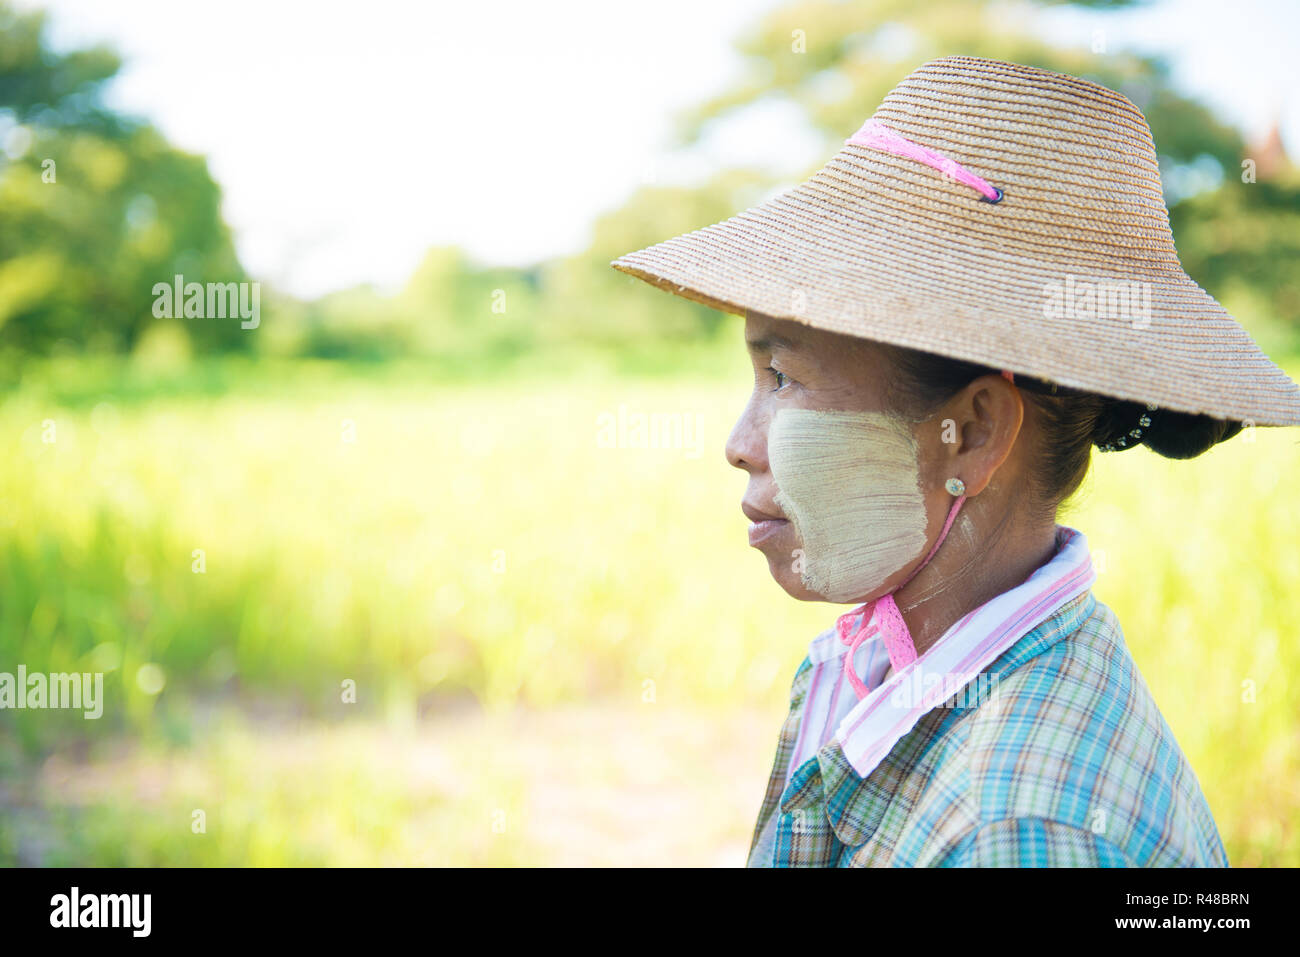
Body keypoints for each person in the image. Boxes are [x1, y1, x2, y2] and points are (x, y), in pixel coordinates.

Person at [610, 56, 1300, 866]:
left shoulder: (1017, 831)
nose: (739, 443)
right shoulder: (889, 663)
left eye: (783, 377)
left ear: (969, 434)